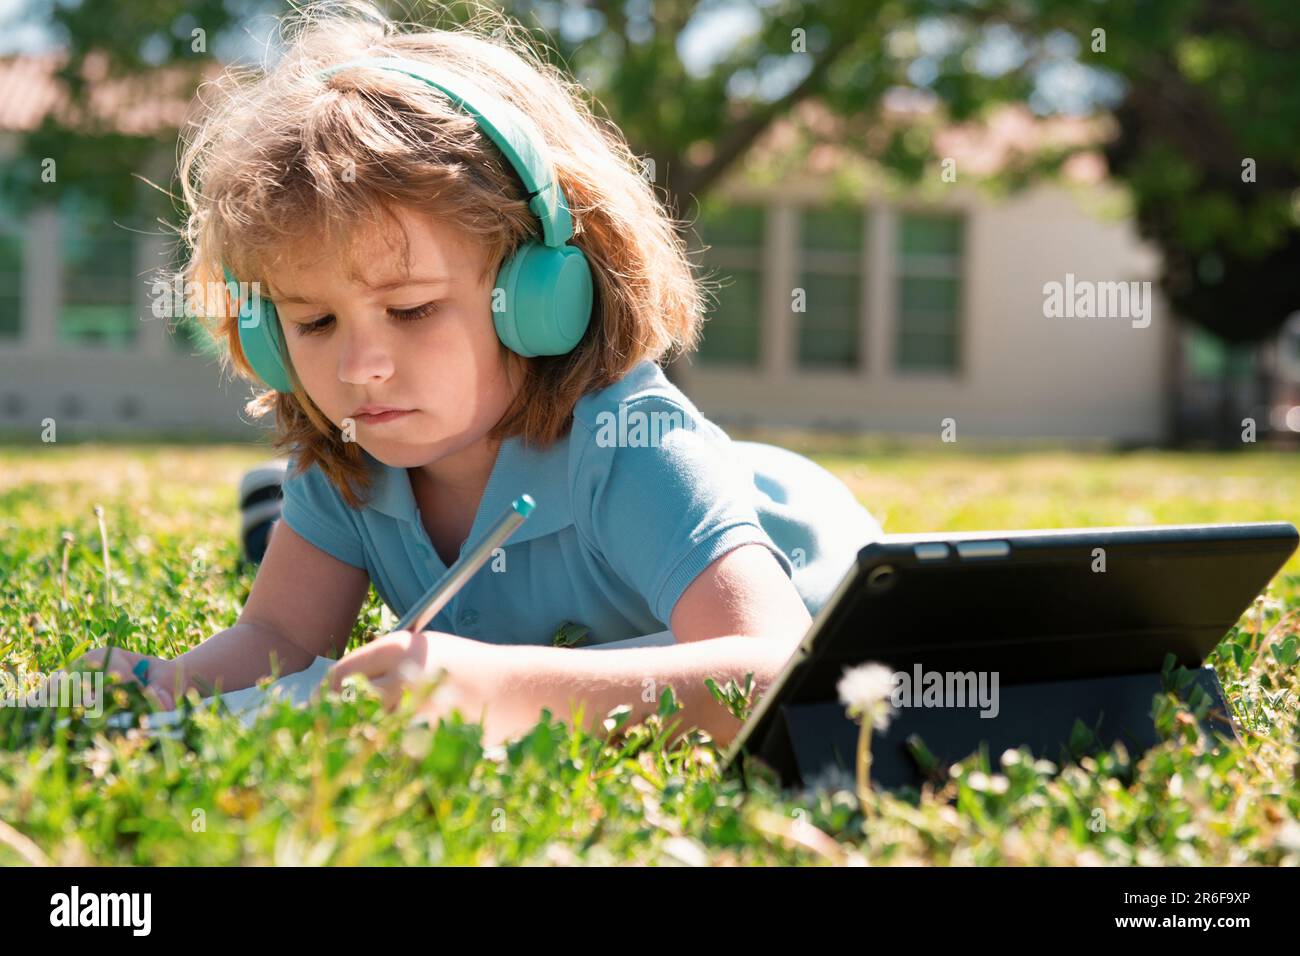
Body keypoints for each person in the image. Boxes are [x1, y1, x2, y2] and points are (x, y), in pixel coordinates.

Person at [73, 2, 883, 748]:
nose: (361, 369)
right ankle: (274, 515)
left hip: (785, 519)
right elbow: (282, 639)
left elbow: (771, 673)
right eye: (313, 323)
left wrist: (500, 688)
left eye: (414, 309)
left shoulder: (633, 450)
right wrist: (161, 687)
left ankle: (266, 516)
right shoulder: (352, 451)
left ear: (542, 296)